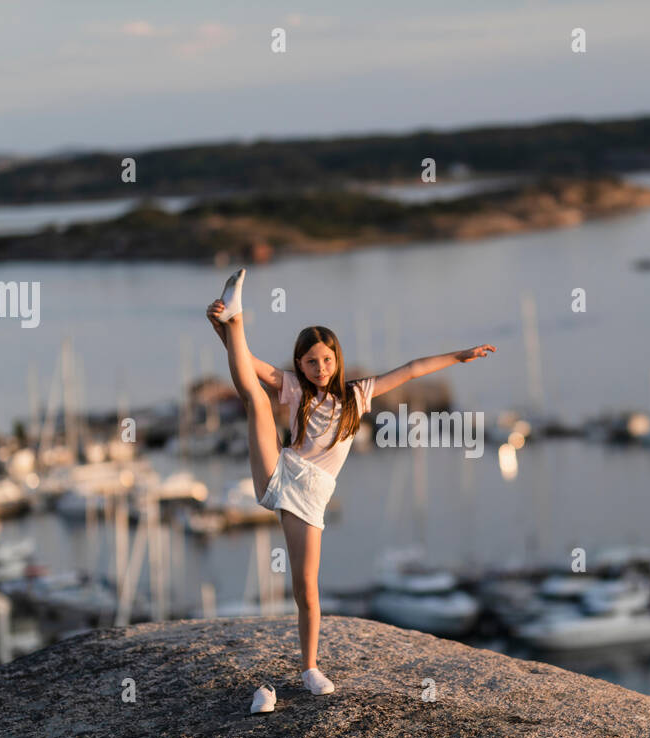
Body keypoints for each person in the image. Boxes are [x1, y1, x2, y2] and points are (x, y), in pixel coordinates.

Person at [206, 268, 495, 713]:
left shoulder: (358, 396)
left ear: (337, 358)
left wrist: (460, 356)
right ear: (299, 364)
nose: (320, 369)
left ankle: (309, 668)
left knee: (307, 589)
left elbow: (413, 370)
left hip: (311, 498)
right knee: (254, 399)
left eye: (326, 360)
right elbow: (246, 364)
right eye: (310, 362)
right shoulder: (295, 389)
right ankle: (239, 316)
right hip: (281, 474)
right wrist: (224, 328)